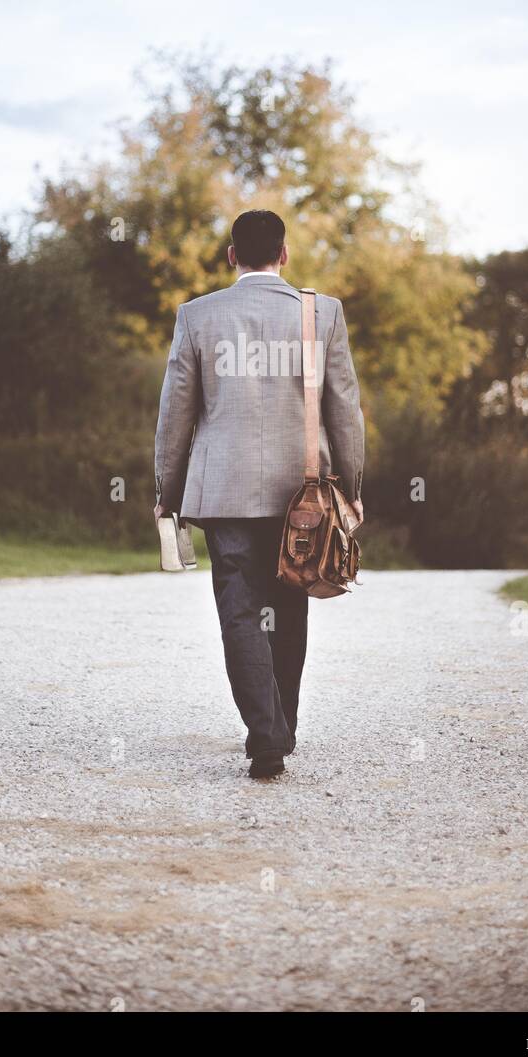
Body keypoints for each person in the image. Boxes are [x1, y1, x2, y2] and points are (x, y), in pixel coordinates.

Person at [154, 209, 365, 778]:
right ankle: (280, 725)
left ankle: (268, 734)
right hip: (305, 492)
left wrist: (167, 492)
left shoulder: (197, 316)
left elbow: (176, 414)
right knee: (289, 606)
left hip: (225, 492)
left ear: (231, 255)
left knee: (241, 613)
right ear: (284, 254)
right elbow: (344, 408)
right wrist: (353, 486)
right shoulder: (322, 313)